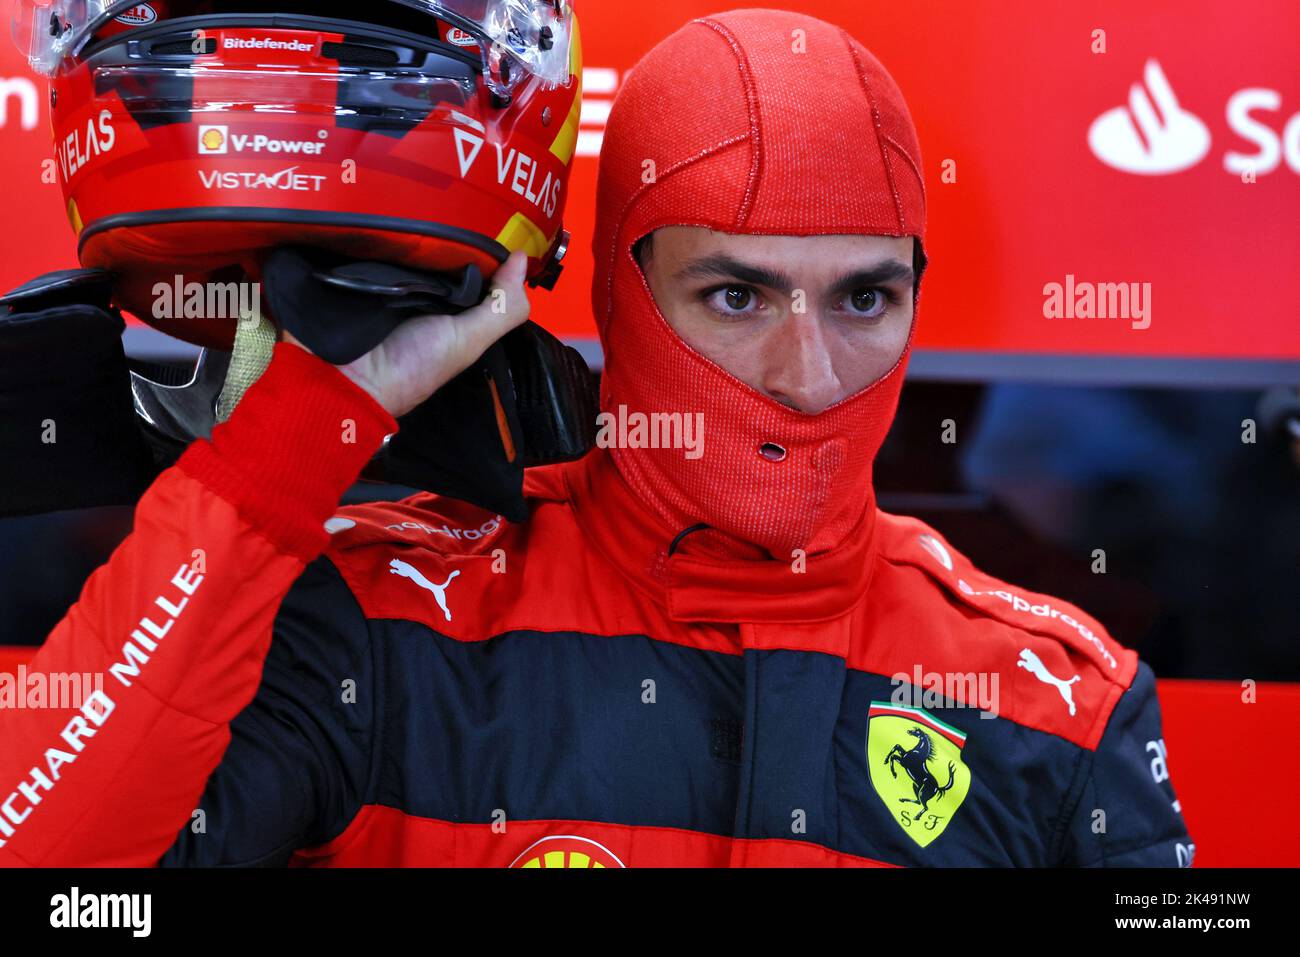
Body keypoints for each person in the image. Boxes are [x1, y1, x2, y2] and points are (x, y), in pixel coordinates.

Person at [0, 6, 1191, 867]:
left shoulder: (1058, 704)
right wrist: (296, 433)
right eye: (736, 295)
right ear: (618, 304)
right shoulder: (382, 624)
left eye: (864, 297)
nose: (809, 372)